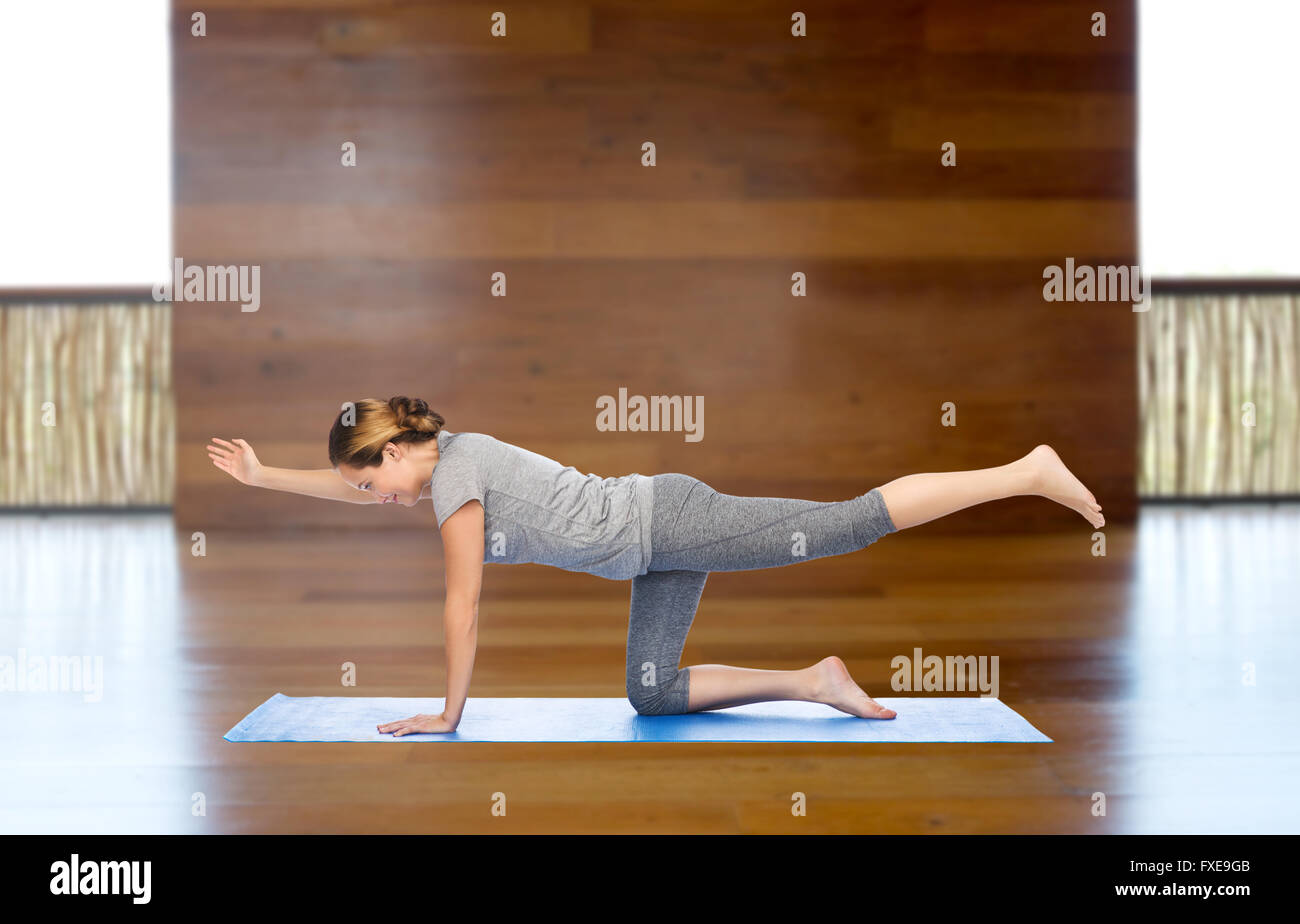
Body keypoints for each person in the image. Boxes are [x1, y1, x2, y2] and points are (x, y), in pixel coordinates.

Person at [207, 395, 1103, 736]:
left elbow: (463, 604)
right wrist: (263, 476)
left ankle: (1023, 471)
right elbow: (344, 486)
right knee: (649, 691)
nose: (376, 499)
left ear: (405, 446)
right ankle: (817, 681)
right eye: (367, 493)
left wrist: (449, 714)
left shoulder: (457, 481)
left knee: (843, 526)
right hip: (647, 550)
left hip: (668, 521)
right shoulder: (442, 466)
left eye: (377, 482)